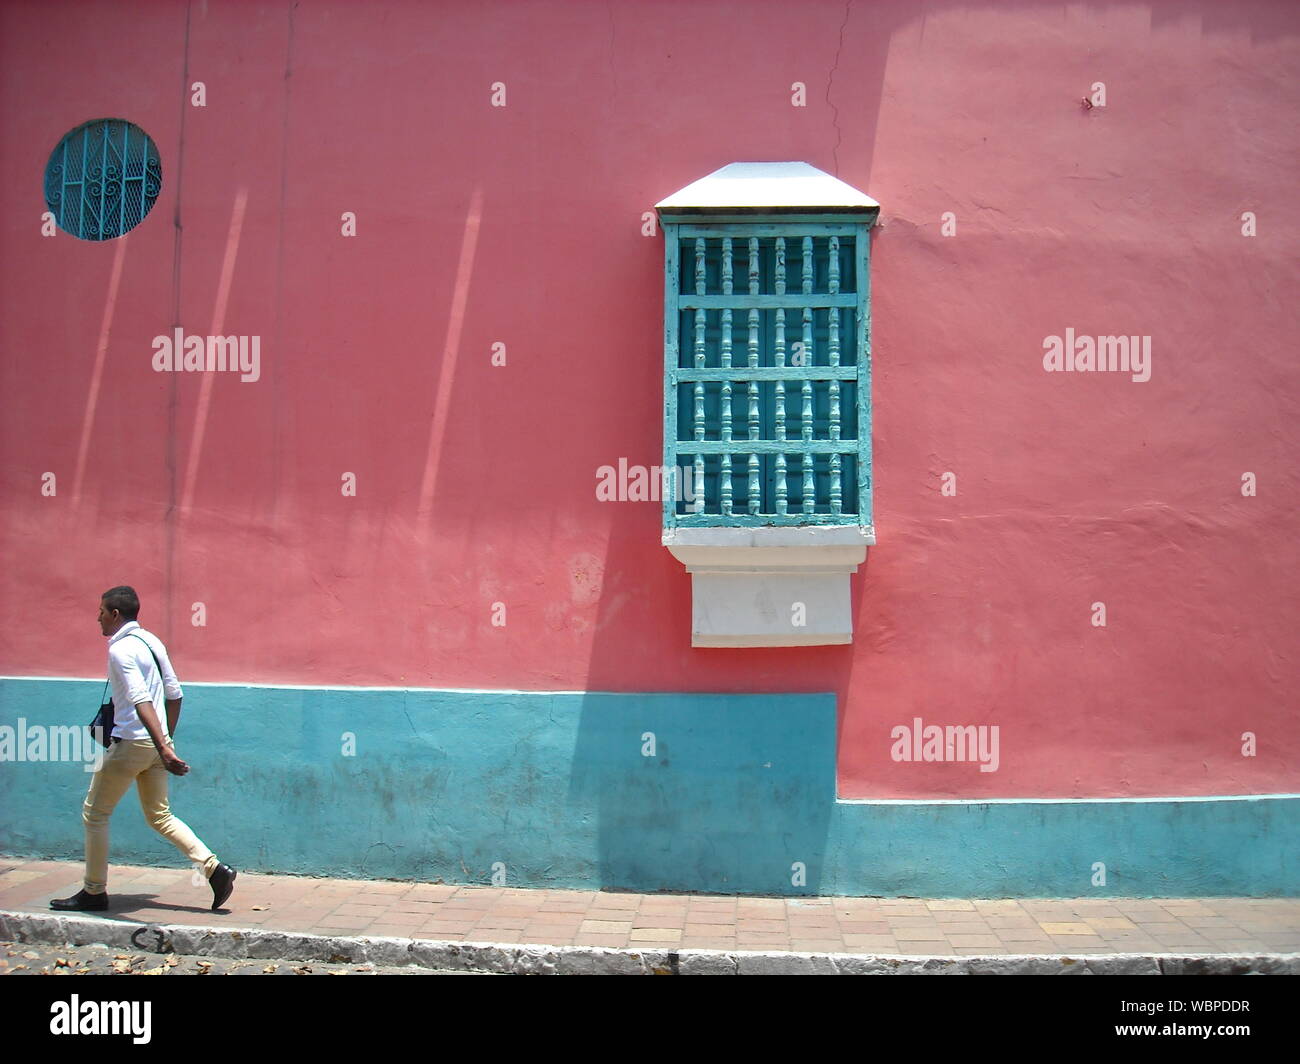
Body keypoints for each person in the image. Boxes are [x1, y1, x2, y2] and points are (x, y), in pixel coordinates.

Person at [51, 586, 236, 913]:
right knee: (160, 816)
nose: (98, 617)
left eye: (102, 612)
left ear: (115, 614)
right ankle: (215, 871)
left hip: (134, 743)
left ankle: (94, 891)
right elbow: (175, 694)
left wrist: (163, 747)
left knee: (94, 813)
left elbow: (141, 700)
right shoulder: (153, 641)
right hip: (154, 743)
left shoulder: (119, 650)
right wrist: (165, 742)